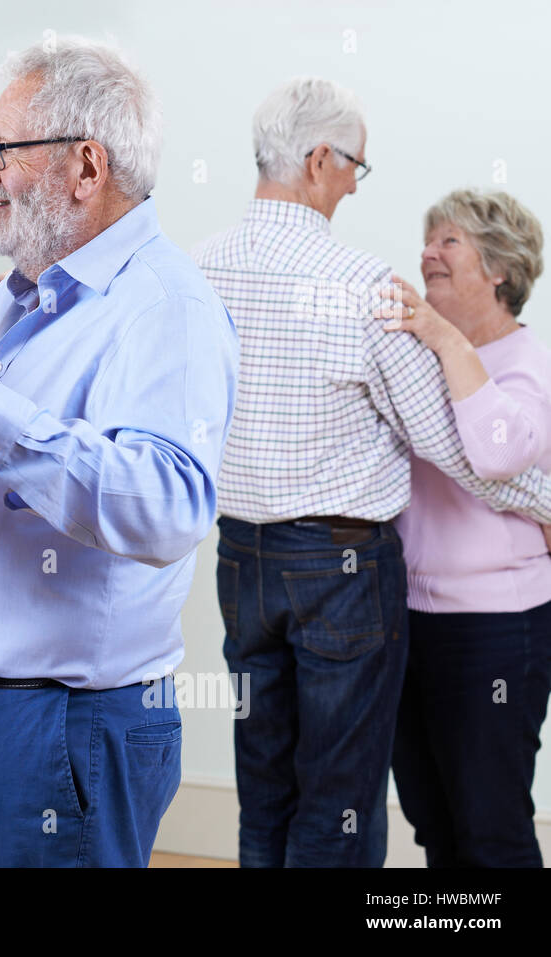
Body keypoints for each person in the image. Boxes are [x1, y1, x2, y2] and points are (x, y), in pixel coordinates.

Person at [0, 37, 238, 867]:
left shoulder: (163, 306)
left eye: (2, 150)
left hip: (65, 720)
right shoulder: (18, 298)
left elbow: (167, 506)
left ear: (85, 166)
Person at [193, 78, 551, 867]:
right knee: (339, 794)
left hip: (240, 558)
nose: (356, 181)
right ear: (319, 160)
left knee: (266, 781)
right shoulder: (361, 286)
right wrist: (543, 501)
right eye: (355, 163)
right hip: (341, 567)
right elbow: (460, 453)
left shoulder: (202, 270)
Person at [376, 189, 550, 867]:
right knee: (434, 822)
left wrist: (440, 333)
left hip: (495, 632)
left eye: (449, 241)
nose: (428, 253)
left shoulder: (524, 361)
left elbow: (500, 450)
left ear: (500, 267)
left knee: (491, 827)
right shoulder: (425, 359)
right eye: (428, 240)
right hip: (412, 621)